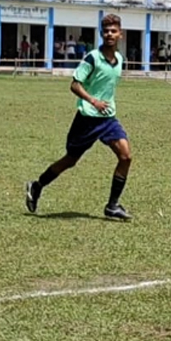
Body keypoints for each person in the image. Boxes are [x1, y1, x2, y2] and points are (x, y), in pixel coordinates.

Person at [26, 13, 132, 221]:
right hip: (86, 119)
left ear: (121, 34)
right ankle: (37, 186)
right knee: (70, 160)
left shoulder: (119, 60)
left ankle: (112, 206)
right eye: (106, 31)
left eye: (114, 31)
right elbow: (75, 84)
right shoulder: (92, 58)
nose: (110, 34)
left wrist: (104, 104)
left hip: (108, 118)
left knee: (125, 156)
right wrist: (93, 101)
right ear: (102, 34)